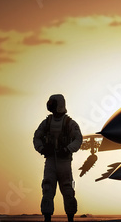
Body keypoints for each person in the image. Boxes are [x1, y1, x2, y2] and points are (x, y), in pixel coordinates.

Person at [33, 94, 83, 222]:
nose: (50, 105)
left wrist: (67, 149)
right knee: (47, 188)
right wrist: (42, 149)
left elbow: (78, 139)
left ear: (58, 105)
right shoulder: (47, 123)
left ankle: (70, 217)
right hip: (50, 161)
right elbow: (36, 137)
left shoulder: (69, 123)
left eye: (52, 103)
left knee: (68, 190)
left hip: (64, 161)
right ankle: (47, 217)